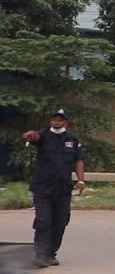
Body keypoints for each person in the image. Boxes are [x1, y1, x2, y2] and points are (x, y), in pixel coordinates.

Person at [21, 108, 86, 268]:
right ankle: (40, 255)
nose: (56, 122)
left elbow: (79, 160)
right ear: (51, 121)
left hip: (63, 188)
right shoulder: (43, 136)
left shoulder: (73, 140)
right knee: (43, 220)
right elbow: (35, 137)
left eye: (60, 119)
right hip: (42, 187)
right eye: (54, 119)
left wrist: (81, 180)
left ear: (66, 122)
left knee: (60, 222)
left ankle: (50, 254)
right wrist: (30, 135)